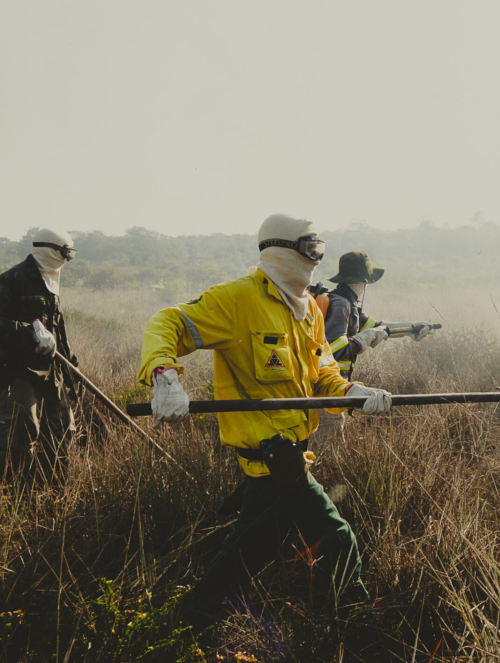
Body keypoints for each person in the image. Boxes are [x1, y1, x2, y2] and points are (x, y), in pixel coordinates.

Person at [140, 215, 393, 620]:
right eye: (311, 248)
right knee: (336, 536)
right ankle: (352, 616)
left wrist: (350, 392)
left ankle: (191, 616)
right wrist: (162, 376)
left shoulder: (309, 307)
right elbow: (165, 322)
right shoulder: (236, 300)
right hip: (270, 454)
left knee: (255, 544)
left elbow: (322, 369)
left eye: (321, 249)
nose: (317, 258)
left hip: (295, 449)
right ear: (280, 248)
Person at [0, 228, 81, 482]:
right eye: (66, 253)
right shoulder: (14, 278)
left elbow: (55, 330)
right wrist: (26, 332)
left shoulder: (51, 278)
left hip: (52, 371)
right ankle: (15, 495)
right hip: (19, 371)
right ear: (50, 250)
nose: (68, 259)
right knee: (20, 435)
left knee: (62, 432)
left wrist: (72, 365)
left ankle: (53, 492)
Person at [322, 250, 434, 382]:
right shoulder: (341, 305)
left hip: (337, 382)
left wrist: (412, 328)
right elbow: (334, 351)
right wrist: (363, 339)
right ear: (364, 280)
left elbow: (379, 327)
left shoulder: (348, 304)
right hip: (328, 384)